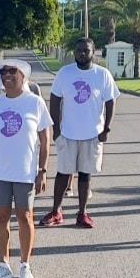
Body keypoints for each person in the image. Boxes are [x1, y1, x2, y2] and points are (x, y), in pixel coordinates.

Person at [0, 59, 52, 278]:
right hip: (0, 172)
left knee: (25, 217)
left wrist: (43, 170)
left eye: (13, 72)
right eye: (4, 72)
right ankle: (3, 264)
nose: (7, 75)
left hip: (25, 171)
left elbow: (45, 138)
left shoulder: (35, 102)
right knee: (1, 217)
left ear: (23, 76)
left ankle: (25, 265)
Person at [40, 38, 119, 229]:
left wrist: (106, 129)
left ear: (93, 52)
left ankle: (82, 213)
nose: (82, 53)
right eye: (78, 50)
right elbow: (55, 99)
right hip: (68, 133)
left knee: (85, 175)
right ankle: (56, 211)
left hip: (92, 134)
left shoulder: (102, 74)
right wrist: (57, 129)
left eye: (86, 50)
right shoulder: (65, 73)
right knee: (63, 173)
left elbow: (110, 102)